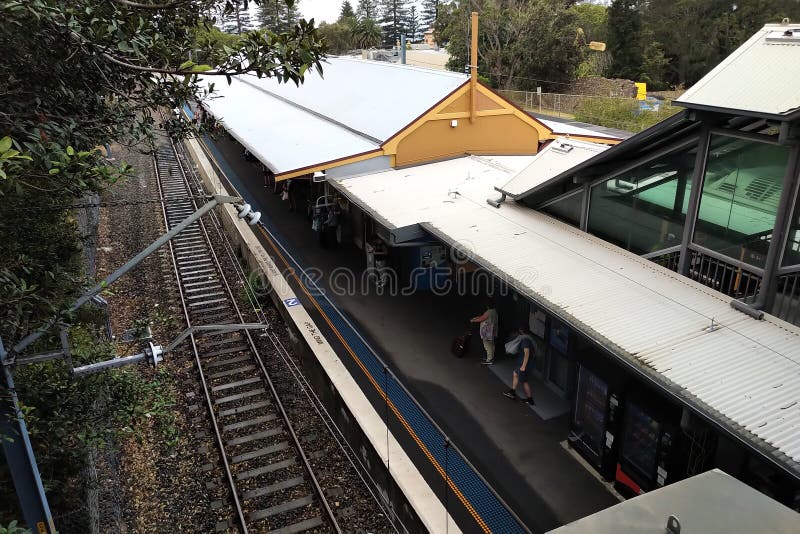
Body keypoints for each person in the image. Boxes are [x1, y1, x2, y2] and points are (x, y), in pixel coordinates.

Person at [504, 326, 535, 405]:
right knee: (515, 374)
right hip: (523, 363)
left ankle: (529, 399)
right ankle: (512, 391)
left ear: (521, 330)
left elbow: (526, 353)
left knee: (524, 381)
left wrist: (523, 366)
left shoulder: (525, 341)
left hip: (524, 364)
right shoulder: (527, 338)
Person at [470, 298, 498, 365]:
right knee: (491, 344)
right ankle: (491, 357)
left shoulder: (489, 312)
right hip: (492, 330)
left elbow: (482, 318)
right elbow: (483, 317)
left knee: (487, 345)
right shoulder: (494, 311)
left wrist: (473, 320)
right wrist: (477, 317)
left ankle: (489, 360)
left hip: (488, 331)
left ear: (487, 306)